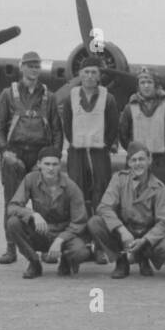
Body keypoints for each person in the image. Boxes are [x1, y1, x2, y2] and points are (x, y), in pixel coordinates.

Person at [0, 51, 62, 264]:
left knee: (45, 204)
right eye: (30, 65)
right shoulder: (8, 94)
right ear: (21, 67)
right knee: (13, 202)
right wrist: (5, 152)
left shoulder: (49, 97)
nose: (34, 70)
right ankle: (11, 247)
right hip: (15, 154)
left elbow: (58, 130)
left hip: (40, 154)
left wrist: (53, 157)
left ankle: (45, 245)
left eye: (36, 66)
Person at [86, 142, 165, 279]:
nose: (138, 164)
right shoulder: (119, 179)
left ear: (149, 160)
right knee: (95, 223)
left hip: (147, 234)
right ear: (128, 163)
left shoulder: (159, 188)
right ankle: (121, 260)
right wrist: (122, 230)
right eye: (133, 160)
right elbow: (104, 207)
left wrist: (146, 240)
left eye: (141, 159)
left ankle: (143, 258)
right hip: (124, 232)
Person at [59, 56, 120, 265]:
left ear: (99, 75)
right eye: (86, 72)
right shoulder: (71, 97)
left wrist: (103, 143)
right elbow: (66, 124)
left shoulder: (108, 98)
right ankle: (81, 243)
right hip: (77, 153)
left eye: (94, 72)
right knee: (77, 198)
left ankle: (100, 246)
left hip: (99, 154)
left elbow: (113, 126)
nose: (90, 76)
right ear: (80, 75)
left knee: (100, 198)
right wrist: (77, 142)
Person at [4, 151, 92, 278]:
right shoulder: (30, 179)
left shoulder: (71, 187)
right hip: (41, 231)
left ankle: (66, 260)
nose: (51, 168)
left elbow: (79, 222)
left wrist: (60, 240)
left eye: (55, 164)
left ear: (60, 165)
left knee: (81, 251)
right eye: (47, 164)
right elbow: (12, 207)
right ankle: (34, 262)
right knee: (13, 223)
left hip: (64, 232)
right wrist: (33, 214)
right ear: (39, 164)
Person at [118, 67, 165, 204]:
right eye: (142, 82)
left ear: (156, 85)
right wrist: (134, 151)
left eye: (149, 82)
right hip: (137, 163)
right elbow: (123, 135)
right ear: (138, 86)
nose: (146, 86)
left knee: (163, 200)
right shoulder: (129, 108)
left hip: (162, 162)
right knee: (136, 201)